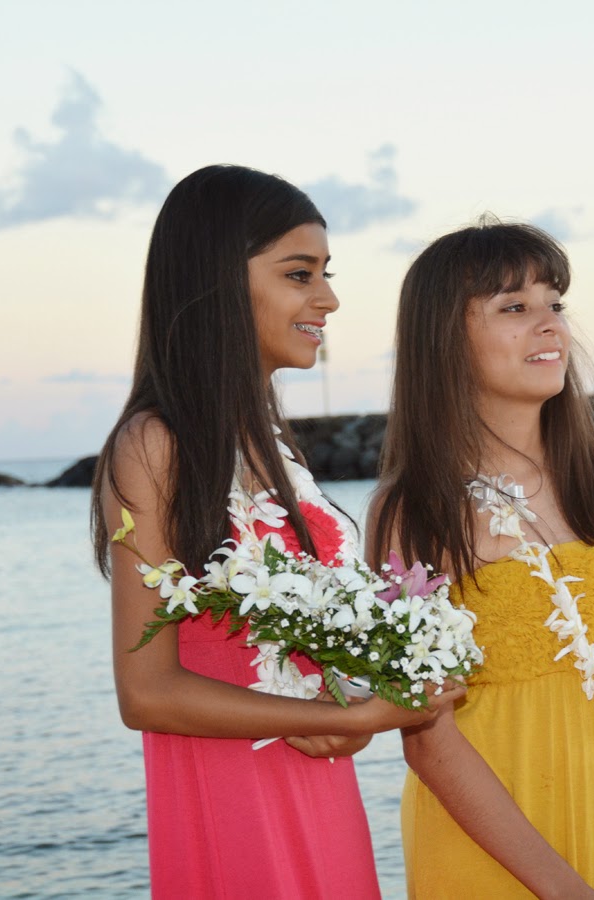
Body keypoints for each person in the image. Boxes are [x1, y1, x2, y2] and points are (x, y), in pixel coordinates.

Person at [91, 164, 461, 898]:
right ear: (217, 280)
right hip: (233, 801)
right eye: (300, 274)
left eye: (325, 273)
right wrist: (365, 712)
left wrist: (361, 703)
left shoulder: (275, 449)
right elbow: (147, 690)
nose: (327, 299)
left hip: (317, 789)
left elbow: (304, 647)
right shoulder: (155, 446)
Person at [367, 221, 594, 899]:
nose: (548, 325)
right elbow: (426, 731)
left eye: (555, 304)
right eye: (514, 308)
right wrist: (563, 891)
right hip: (493, 860)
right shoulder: (415, 511)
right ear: (445, 340)